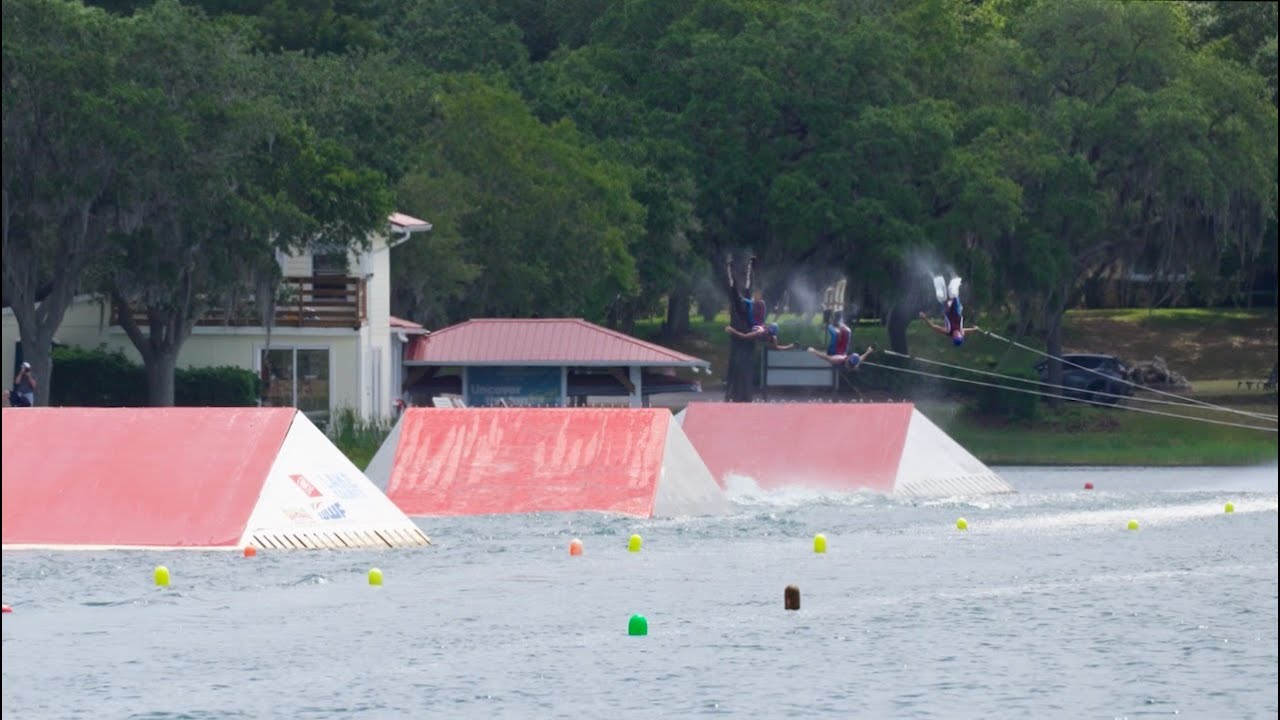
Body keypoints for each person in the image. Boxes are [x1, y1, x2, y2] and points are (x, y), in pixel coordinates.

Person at [920, 275, 978, 346]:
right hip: (957, 310)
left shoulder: (947, 331)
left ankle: (937, 278)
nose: (957, 334)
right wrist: (974, 329)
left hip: (948, 311)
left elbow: (933, 326)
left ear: (953, 337)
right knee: (952, 293)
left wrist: (924, 318)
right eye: (958, 335)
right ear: (961, 336)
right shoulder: (962, 333)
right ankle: (956, 280)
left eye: (955, 336)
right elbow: (965, 330)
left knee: (941, 296)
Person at [725, 255, 768, 328]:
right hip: (746, 310)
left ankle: (732, 267)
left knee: (739, 287)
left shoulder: (759, 306)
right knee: (743, 286)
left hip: (746, 310)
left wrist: (744, 299)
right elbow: (753, 303)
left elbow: (752, 303)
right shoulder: (759, 304)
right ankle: (749, 265)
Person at [725, 322, 796, 350]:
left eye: (771, 334)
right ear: (767, 329)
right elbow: (744, 336)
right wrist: (732, 330)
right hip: (748, 328)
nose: (770, 334)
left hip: (754, 339)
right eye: (769, 332)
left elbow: (776, 347)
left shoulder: (773, 337)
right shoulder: (760, 331)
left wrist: (790, 346)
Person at [807, 343, 875, 370]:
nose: (850, 365)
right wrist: (814, 351)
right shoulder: (838, 359)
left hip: (841, 357)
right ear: (848, 358)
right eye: (850, 363)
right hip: (835, 353)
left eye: (852, 364)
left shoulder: (855, 361)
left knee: (857, 365)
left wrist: (868, 351)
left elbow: (861, 358)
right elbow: (825, 357)